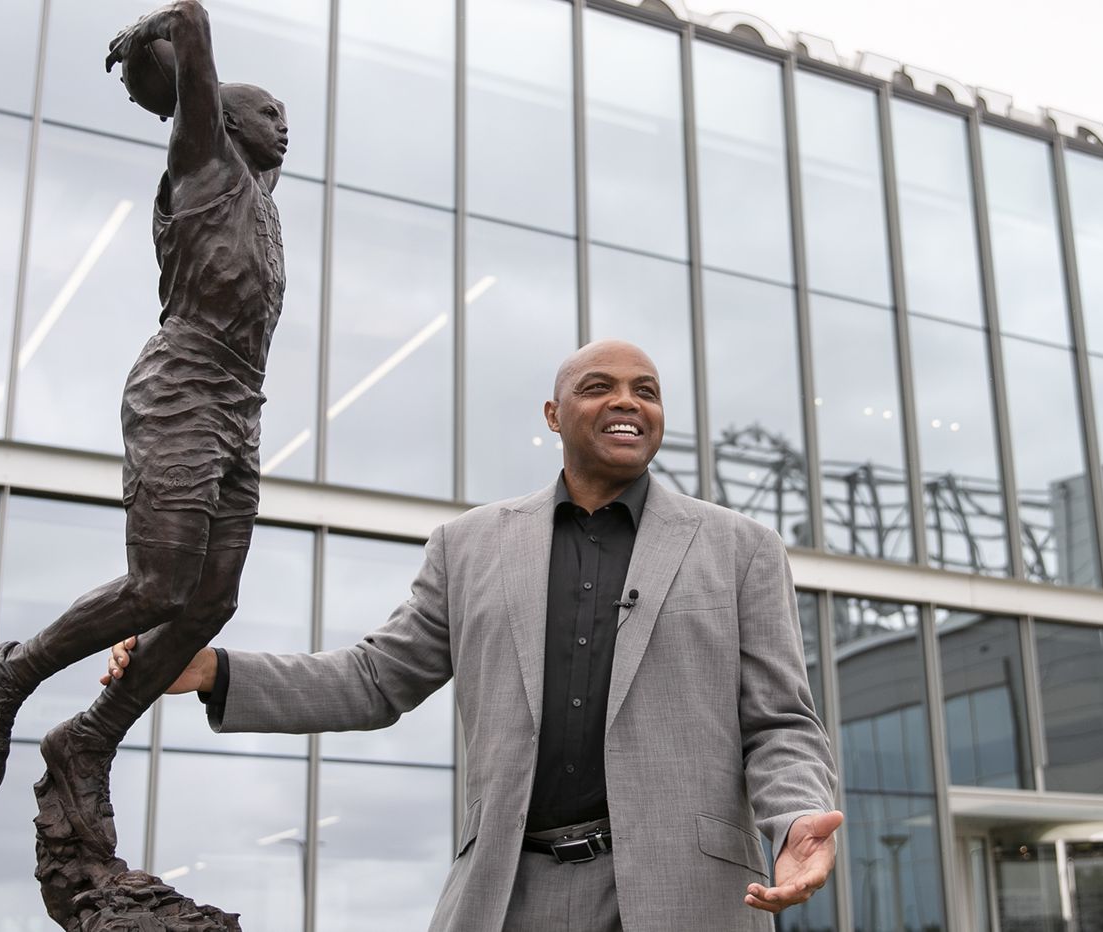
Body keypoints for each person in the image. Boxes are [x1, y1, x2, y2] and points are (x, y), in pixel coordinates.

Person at [109, 339, 841, 931]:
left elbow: (780, 721)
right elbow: (376, 679)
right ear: (554, 415)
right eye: (600, 387)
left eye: (646, 390)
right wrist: (213, 670)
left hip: (686, 896)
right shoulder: (470, 546)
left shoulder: (740, 549)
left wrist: (797, 819)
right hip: (508, 893)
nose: (626, 401)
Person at [0, 0, 288, 859]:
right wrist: (159, 36)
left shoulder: (260, 203)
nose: (283, 129)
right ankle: (11, 670)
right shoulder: (206, 166)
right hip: (183, 386)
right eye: (268, 113)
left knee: (214, 598)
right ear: (222, 118)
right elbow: (194, 28)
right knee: (159, 585)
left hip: (240, 405)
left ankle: (89, 737)